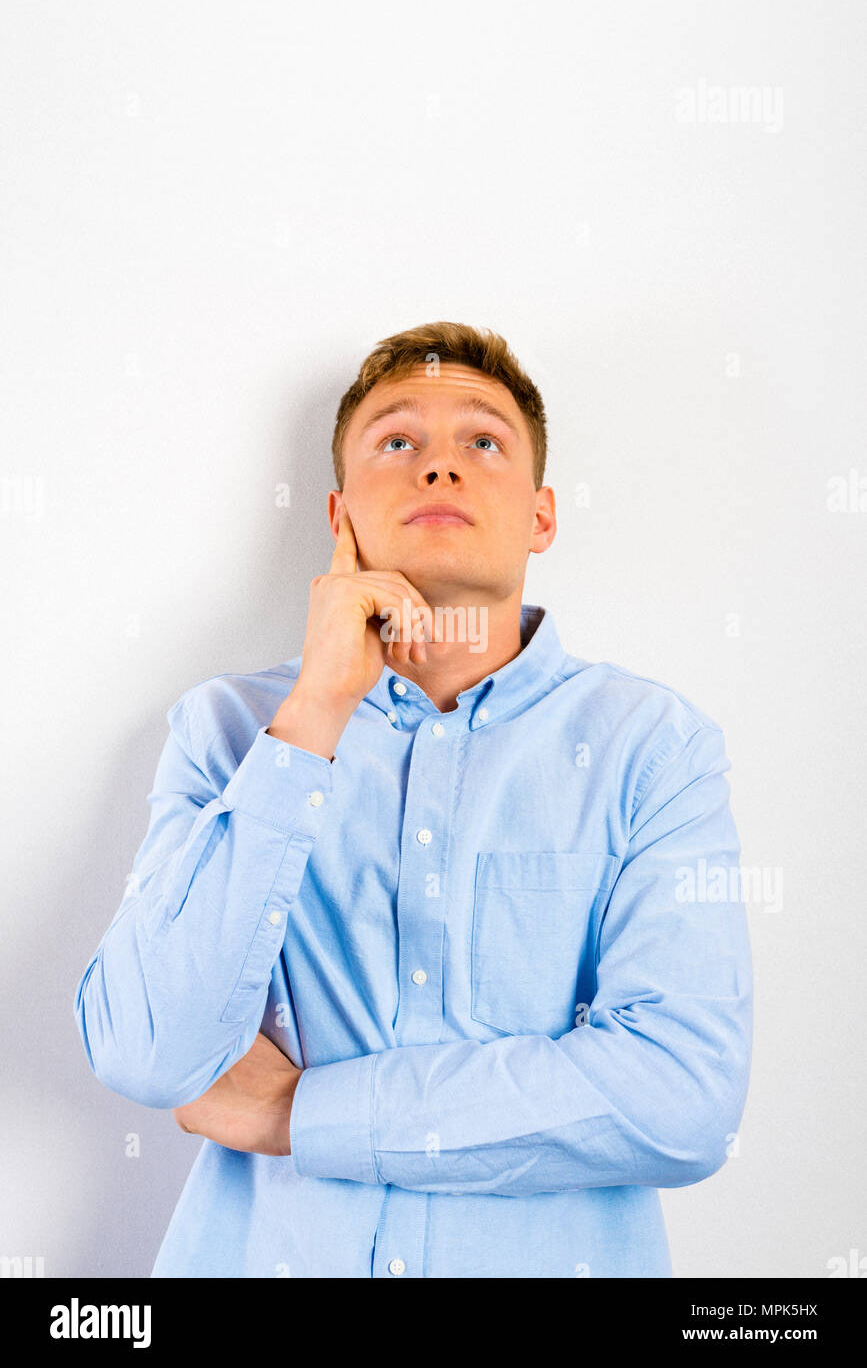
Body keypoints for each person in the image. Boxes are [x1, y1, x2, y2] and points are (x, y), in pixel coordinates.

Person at [74, 320, 753, 1278]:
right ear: (338, 513)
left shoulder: (652, 746)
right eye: (398, 442)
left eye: (482, 442)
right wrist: (313, 712)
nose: (439, 468)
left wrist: (297, 1114)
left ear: (542, 515)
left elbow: (682, 1099)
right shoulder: (227, 730)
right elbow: (150, 1053)